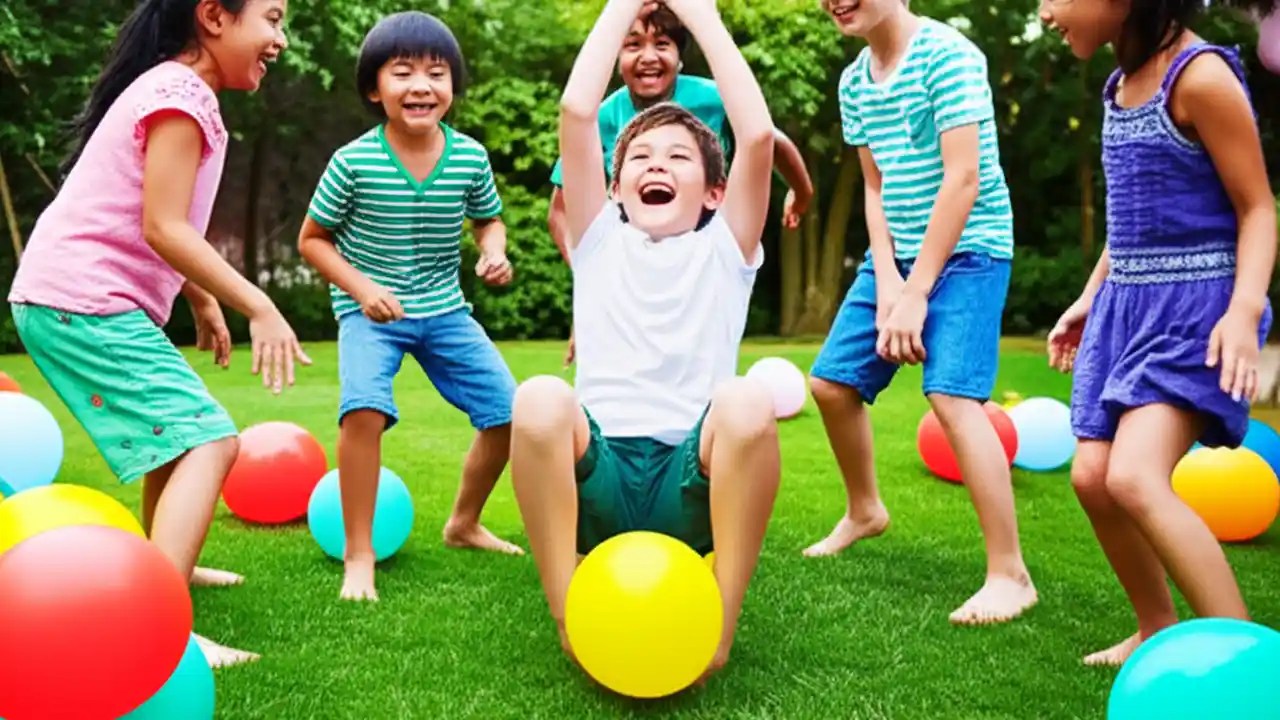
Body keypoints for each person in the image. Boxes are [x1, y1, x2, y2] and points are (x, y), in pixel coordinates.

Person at [7, 0, 307, 667]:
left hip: (70, 298)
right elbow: (163, 227)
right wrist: (257, 304)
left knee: (170, 439)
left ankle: (164, 562)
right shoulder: (179, 94)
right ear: (214, 17)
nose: (280, 39)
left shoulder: (175, 89)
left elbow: (162, 220)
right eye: (273, 18)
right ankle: (156, 619)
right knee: (210, 439)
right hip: (81, 301)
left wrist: (200, 298)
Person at [510, 0, 780, 681]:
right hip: (597, 481)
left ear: (715, 191)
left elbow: (759, 138)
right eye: (641, 155)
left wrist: (704, 16)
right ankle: (570, 612)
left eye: (679, 156)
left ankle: (720, 621)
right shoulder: (598, 240)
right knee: (540, 397)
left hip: (689, 485)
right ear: (614, 186)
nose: (657, 164)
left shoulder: (726, 249)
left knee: (746, 402)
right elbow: (576, 113)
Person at [1041, 0, 1276, 666]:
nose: (1046, 12)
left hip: (1195, 310)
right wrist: (1089, 298)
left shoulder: (1198, 76)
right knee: (1092, 476)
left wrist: (1242, 309)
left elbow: (1257, 208)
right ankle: (1155, 626)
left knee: (1135, 477)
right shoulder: (1121, 85)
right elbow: (1132, 219)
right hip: (1125, 308)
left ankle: (1248, 661)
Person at [805, 0, 1037, 626]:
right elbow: (875, 189)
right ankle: (865, 511)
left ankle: (1010, 574)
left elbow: (963, 179)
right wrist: (887, 280)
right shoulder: (854, 81)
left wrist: (918, 291)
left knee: (953, 398)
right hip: (898, 258)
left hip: (972, 251)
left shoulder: (950, 57)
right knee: (830, 384)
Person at [298, 11, 522, 603]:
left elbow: (488, 220)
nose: (421, 85)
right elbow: (312, 240)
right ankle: (359, 555)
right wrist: (362, 290)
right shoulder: (353, 161)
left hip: (445, 310)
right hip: (370, 314)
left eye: (437, 72)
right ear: (375, 90)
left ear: (452, 88)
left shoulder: (470, 157)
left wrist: (492, 252)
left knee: (509, 415)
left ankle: (463, 524)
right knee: (363, 412)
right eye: (403, 72)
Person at [547, 1, 814, 366]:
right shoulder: (605, 117)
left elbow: (767, 140)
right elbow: (560, 211)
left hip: (704, 254)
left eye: (662, 44)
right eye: (633, 44)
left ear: (680, 55)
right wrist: (591, 280)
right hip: (631, 259)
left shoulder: (710, 99)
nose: (648, 56)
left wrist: (800, 193)